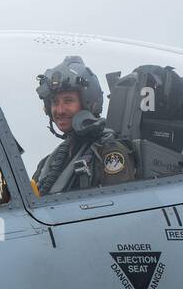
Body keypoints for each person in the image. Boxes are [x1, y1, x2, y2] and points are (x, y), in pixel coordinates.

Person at [31, 55, 137, 195]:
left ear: (89, 102)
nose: (60, 110)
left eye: (68, 101)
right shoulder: (47, 164)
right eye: (55, 102)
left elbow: (121, 207)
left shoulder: (108, 151)